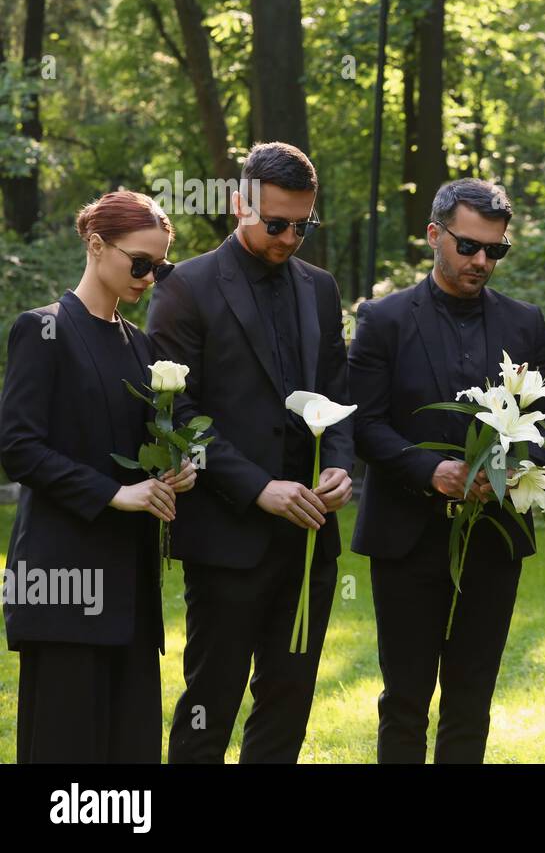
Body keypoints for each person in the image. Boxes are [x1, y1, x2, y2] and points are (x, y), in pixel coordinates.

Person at [349, 178, 545, 763]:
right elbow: (365, 426)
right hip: (405, 534)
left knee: (472, 698)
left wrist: (504, 467)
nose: (480, 261)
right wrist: (431, 472)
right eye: (468, 246)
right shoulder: (383, 319)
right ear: (433, 235)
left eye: (495, 250)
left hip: (494, 535)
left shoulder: (525, 322)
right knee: (405, 698)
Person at [147, 142, 354, 763]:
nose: (291, 236)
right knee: (210, 703)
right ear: (239, 205)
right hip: (227, 538)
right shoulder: (186, 286)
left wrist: (341, 464)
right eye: (275, 223)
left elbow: (338, 395)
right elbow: (175, 416)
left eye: (303, 224)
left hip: (310, 537)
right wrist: (258, 487)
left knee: (288, 703)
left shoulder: (321, 289)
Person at [1, 190, 195, 762]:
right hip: (63, 579)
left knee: (131, 748)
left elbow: (174, 431)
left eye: (160, 267)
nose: (150, 277)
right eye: (140, 263)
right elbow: (17, 447)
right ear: (95, 245)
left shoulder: (144, 347)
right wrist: (115, 493)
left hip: (130, 583)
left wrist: (181, 465)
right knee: (67, 749)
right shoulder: (41, 331)